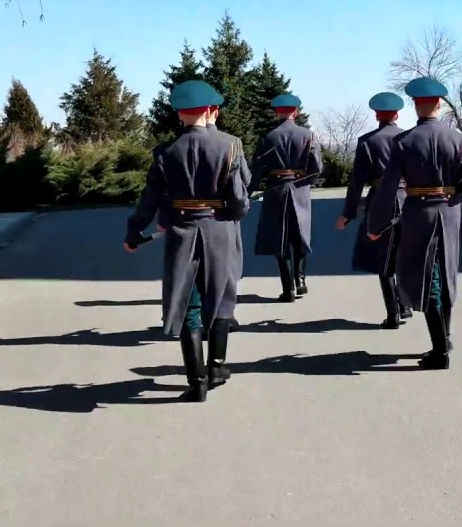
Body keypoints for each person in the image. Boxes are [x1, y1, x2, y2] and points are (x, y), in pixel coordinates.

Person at [125, 80, 250, 403]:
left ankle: (196, 384)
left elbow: (150, 199)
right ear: (211, 111)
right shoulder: (231, 145)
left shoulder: (165, 152)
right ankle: (217, 368)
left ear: (180, 114)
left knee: (188, 304)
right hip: (220, 230)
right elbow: (239, 201)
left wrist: (135, 232)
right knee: (222, 299)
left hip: (182, 232)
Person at [366, 77, 462, 370]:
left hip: (418, 214)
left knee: (428, 279)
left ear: (416, 105)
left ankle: (440, 351)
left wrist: (375, 225)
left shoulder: (403, 142)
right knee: (446, 273)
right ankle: (446, 338)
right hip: (450, 211)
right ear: (439, 104)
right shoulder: (458, 139)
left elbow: (388, 189)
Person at [336, 91, 413, 328]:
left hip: (381, 200)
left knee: (383, 259)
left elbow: (357, 182)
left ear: (377, 115)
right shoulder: (410, 138)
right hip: (410, 200)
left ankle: (393, 315)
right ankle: (405, 306)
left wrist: (348, 213)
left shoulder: (367, 142)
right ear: (398, 114)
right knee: (404, 256)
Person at [251, 93, 322, 302]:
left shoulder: (268, 137)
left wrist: (247, 192)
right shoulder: (308, 135)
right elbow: (317, 167)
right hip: (299, 189)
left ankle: (288, 288)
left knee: (279, 239)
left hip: (276, 190)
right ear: (296, 112)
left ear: (276, 113)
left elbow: (257, 170)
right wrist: (303, 181)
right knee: (300, 236)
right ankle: (300, 280)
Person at [205, 92, 252, 333]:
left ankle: (198, 317)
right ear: (215, 112)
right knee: (228, 266)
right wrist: (241, 208)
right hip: (223, 214)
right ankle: (225, 316)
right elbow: (243, 178)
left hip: (186, 217)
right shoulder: (231, 142)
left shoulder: (173, 145)